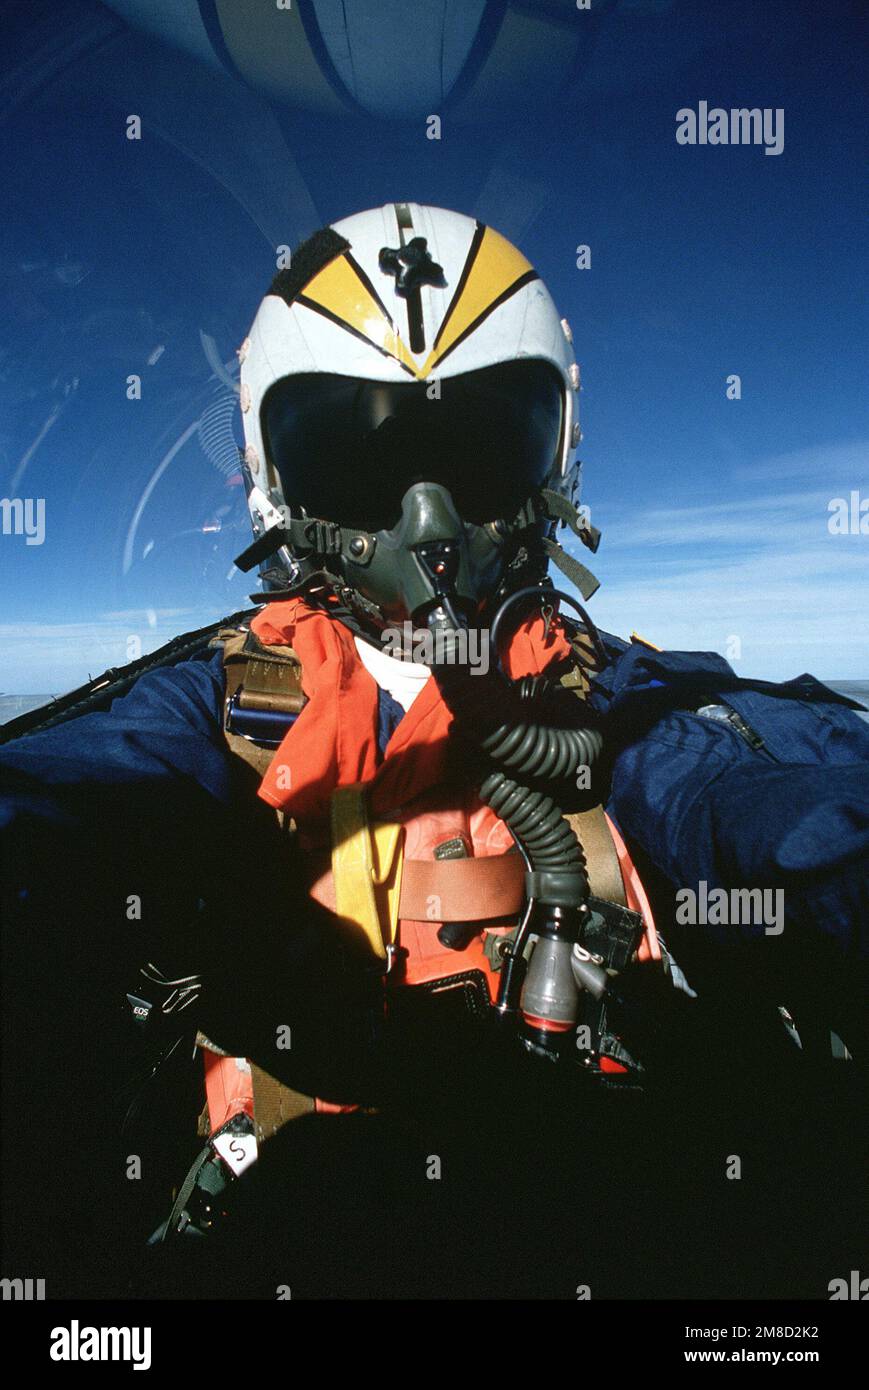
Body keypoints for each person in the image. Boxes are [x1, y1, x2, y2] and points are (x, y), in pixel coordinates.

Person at [1, 204, 866, 1293]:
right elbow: (63, 795)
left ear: (551, 462)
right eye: (365, 463)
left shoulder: (621, 708)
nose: (429, 524)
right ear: (282, 489)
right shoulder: (218, 706)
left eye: (471, 451)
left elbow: (769, 799)